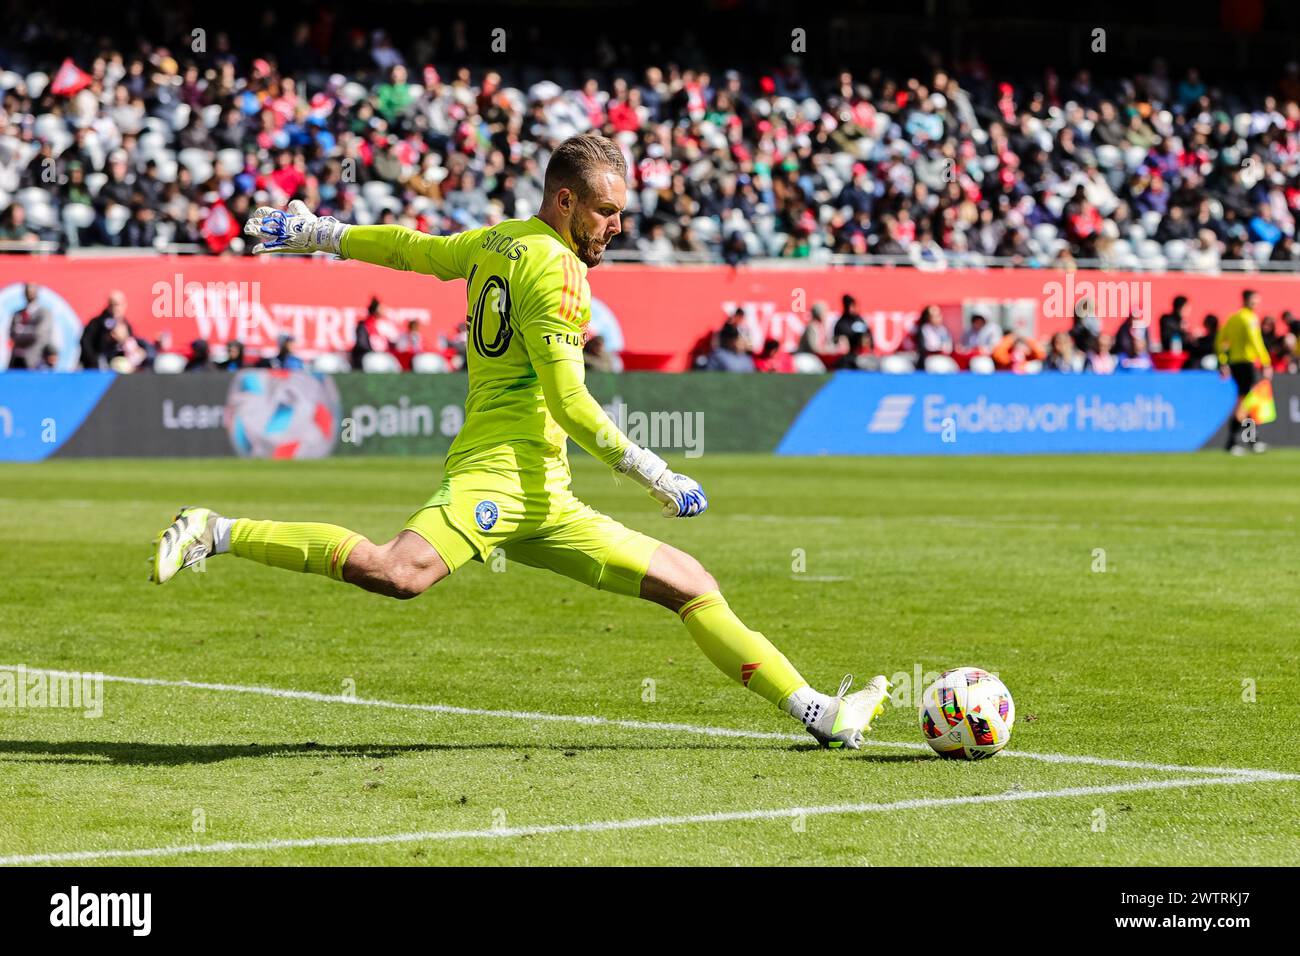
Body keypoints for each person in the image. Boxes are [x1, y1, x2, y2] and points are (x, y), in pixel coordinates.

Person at [150, 134, 890, 751]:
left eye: (620, 213)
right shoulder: (560, 271)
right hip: (496, 477)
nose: (614, 227)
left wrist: (322, 234)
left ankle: (821, 713)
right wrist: (655, 472)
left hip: (546, 492)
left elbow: (413, 248)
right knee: (400, 572)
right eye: (604, 211)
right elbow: (571, 401)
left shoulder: (499, 242)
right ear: (564, 201)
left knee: (690, 582)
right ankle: (217, 531)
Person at [1216, 289, 1272, 455]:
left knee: (1247, 401)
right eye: (1254, 301)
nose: (1256, 304)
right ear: (1248, 300)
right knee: (1244, 402)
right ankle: (1233, 441)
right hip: (1247, 364)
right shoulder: (1249, 319)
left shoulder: (1233, 318)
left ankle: (1251, 440)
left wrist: (1223, 360)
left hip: (1235, 363)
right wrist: (1266, 362)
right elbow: (1256, 342)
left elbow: (1220, 341)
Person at [7, 283, 52, 369]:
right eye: (27, 291)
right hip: (16, 359)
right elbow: (12, 333)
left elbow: (39, 333)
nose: (29, 293)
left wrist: (21, 330)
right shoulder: (17, 314)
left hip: (35, 359)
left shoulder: (44, 313)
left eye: (32, 291)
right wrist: (29, 331)